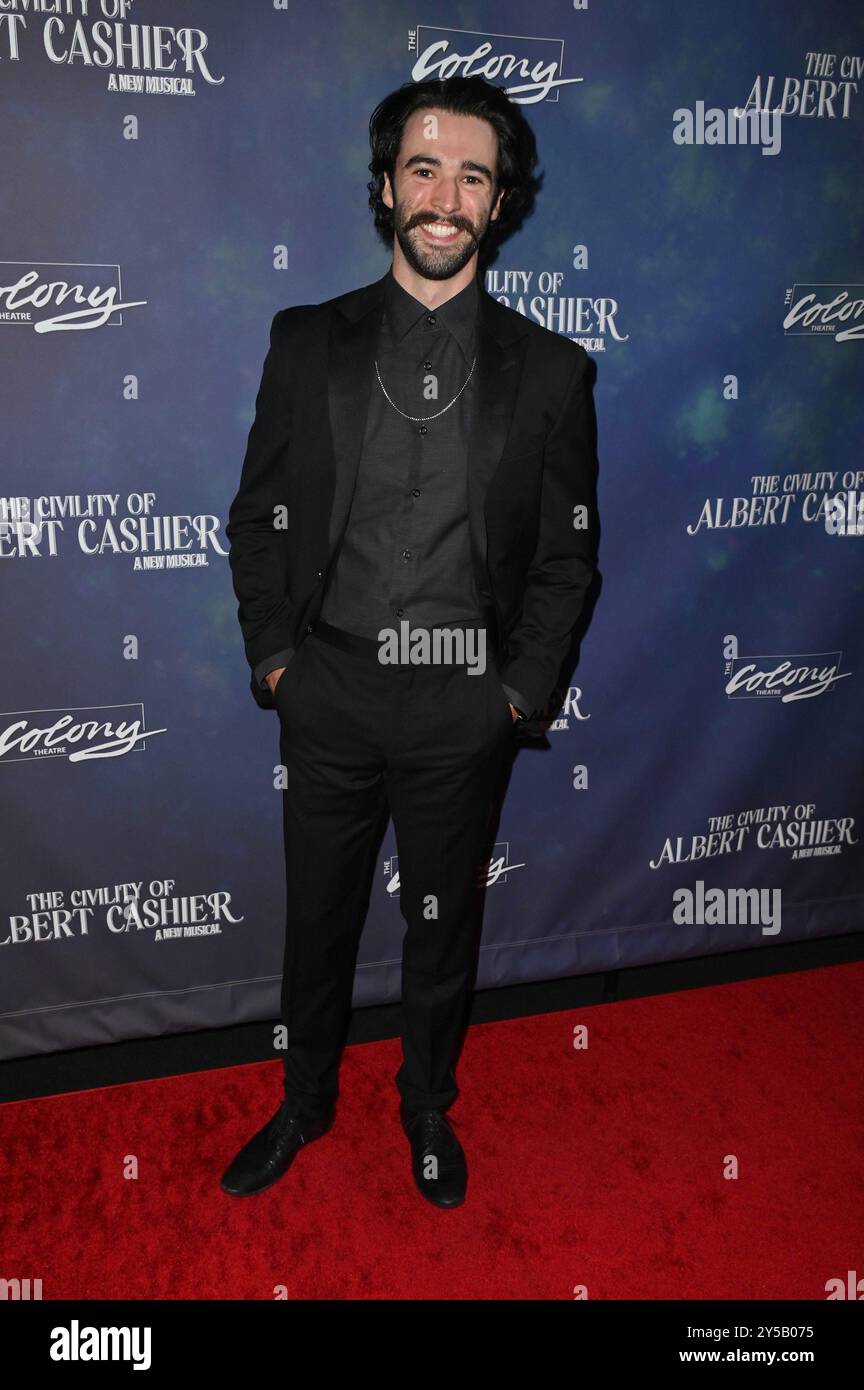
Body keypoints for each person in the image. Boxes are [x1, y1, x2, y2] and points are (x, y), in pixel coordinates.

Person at [221, 74, 600, 1207]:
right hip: (327, 685)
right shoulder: (306, 342)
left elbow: (568, 555)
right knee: (318, 915)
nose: (445, 196)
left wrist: (518, 693)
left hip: (461, 706)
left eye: (472, 176)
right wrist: (278, 659)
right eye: (424, 169)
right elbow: (256, 515)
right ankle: (303, 1101)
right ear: (385, 187)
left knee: (443, 921)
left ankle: (426, 1103)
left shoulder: (553, 372)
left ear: (501, 203)